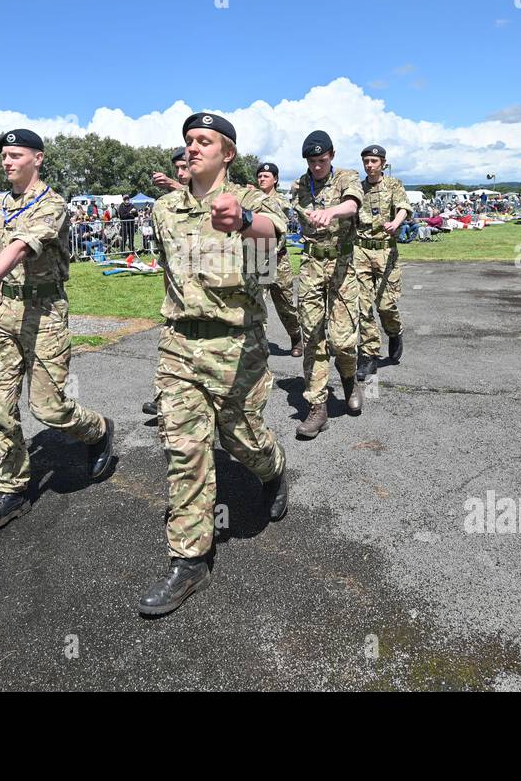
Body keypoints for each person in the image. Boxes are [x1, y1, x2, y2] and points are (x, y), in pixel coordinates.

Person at [137, 111, 288, 617]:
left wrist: (244, 224)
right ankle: (190, 560)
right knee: (183, 449)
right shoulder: (164, 210)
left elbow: (269, 249)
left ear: (228, 153)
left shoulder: (255, 201)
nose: (194, 148)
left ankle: (274, 470)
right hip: (179, 344)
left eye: (206, 141)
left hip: (235, 347)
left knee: (243, 441)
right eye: (189, 141)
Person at [0, 129, 115, 535]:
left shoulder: (52, 205)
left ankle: (99, 430)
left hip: (45, 313)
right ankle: (13, 490)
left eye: (16, 154)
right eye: (4, 154)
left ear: (37, 158)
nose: (7, 161)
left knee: (50, 409)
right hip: (6, 311)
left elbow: (20, 247)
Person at [290, 130, 363, 438]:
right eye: (311, 161)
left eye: (321, 160)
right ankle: (317, 407)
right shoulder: (298, 186)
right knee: (312, 337)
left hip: (343, 264)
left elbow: (352, 205)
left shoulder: (347, 177)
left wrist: (330, 211)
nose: (317, 166)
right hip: (311, 265)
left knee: (344, 341)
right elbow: (298, 212)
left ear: (331, 155)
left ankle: (348, 378)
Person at [142, 146, 195, 417]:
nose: (181, 173)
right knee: (171, 356)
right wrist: (169, 299)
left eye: (185, 167)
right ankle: (166, 401)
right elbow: (166, 260)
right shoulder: (164, 208)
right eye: (177, 169)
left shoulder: (227, 199)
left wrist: (176, 186)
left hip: (219, 307)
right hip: (179, 301)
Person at [355, 145, 412, 381]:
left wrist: (396, 223)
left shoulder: (393, 184)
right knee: (363, 306)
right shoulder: (357, 187)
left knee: (385, 306)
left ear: (383, 163)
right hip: (361, 251)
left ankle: (394, 331)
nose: (370, 165)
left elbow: (403, 207)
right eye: (366, 161)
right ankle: (368, 356)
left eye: (374, 161)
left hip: (386, 251)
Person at [254, 161, 302, 355]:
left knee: (286, 304)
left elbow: (278, 213)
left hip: (278, 259)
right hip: (257, 258)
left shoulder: (281, 200)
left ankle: (296, 336)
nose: (262, 178)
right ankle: (258, 343)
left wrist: (255, 198)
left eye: (266, 176)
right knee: (257, 302)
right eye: (259, 176)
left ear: (275, 179)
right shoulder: (252, 199)